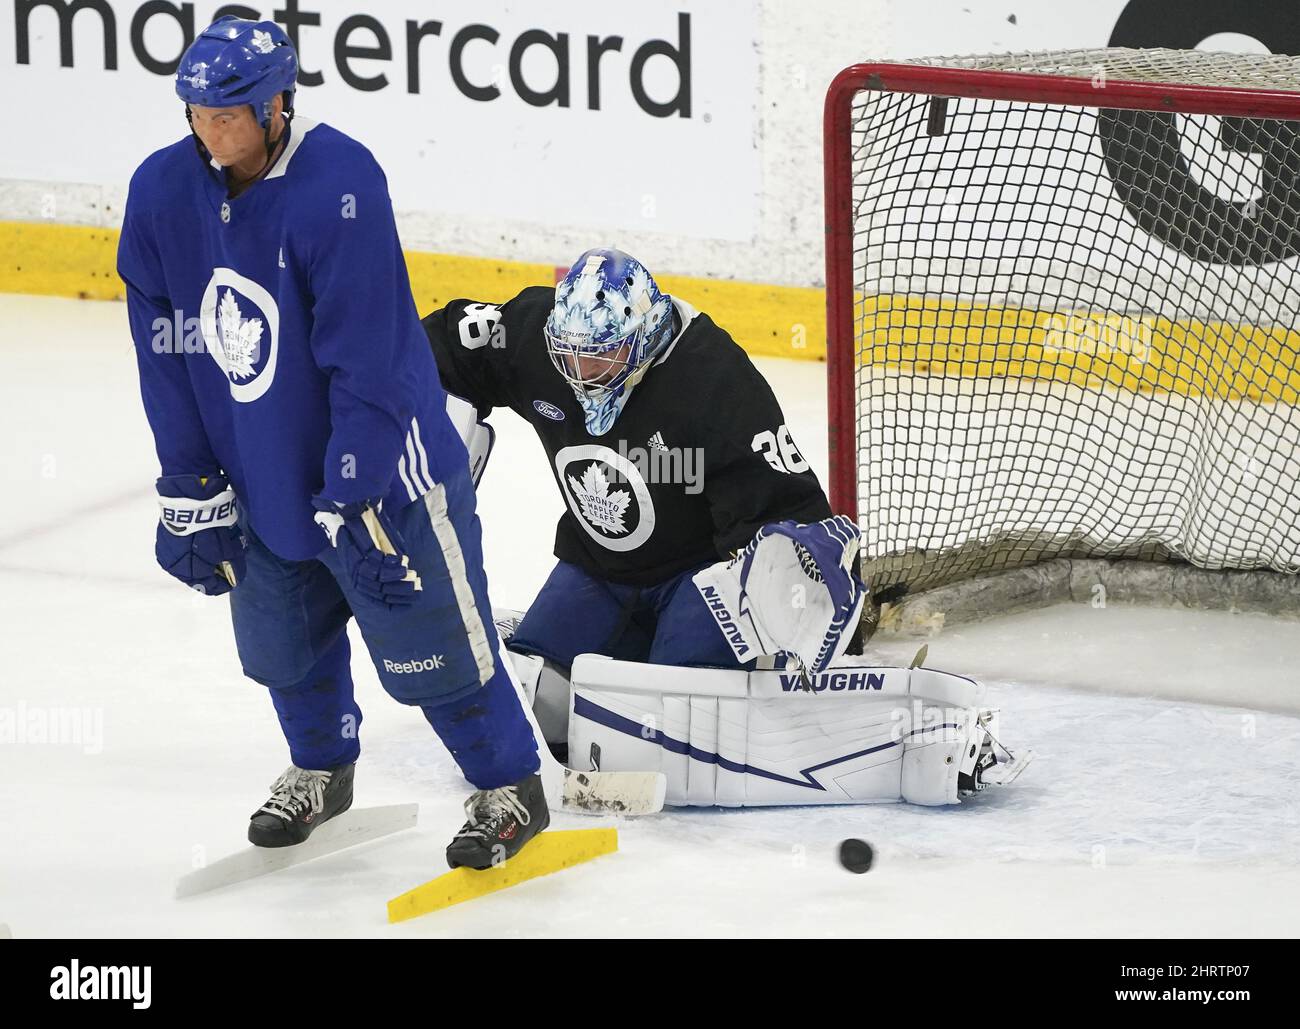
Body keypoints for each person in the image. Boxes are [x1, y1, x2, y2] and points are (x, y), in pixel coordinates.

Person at [117, 16, 546, 869]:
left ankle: (508, 787)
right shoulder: (163, 191)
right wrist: (189, 480)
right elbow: (162, 347)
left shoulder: (339, 182)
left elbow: (371, 356)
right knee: (283, 640)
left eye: (230, 112)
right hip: (258, 465)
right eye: (198, 112)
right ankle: (322, 768)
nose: (212, 130)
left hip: (386, 468)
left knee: (436, 645)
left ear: (278, 102)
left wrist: (352, 485)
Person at [421, 248, 841, 746]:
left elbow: (783, 504)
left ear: (642, 336)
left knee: (673, 710)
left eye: (601, 352)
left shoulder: (710, 375)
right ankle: (623, 640)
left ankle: (669, 645)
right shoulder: (533, 337)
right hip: (598, 566)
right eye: (570, 352)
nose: (581, 369)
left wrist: (797, 606)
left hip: (701, 576)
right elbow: (436, 345)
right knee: (538, 702)